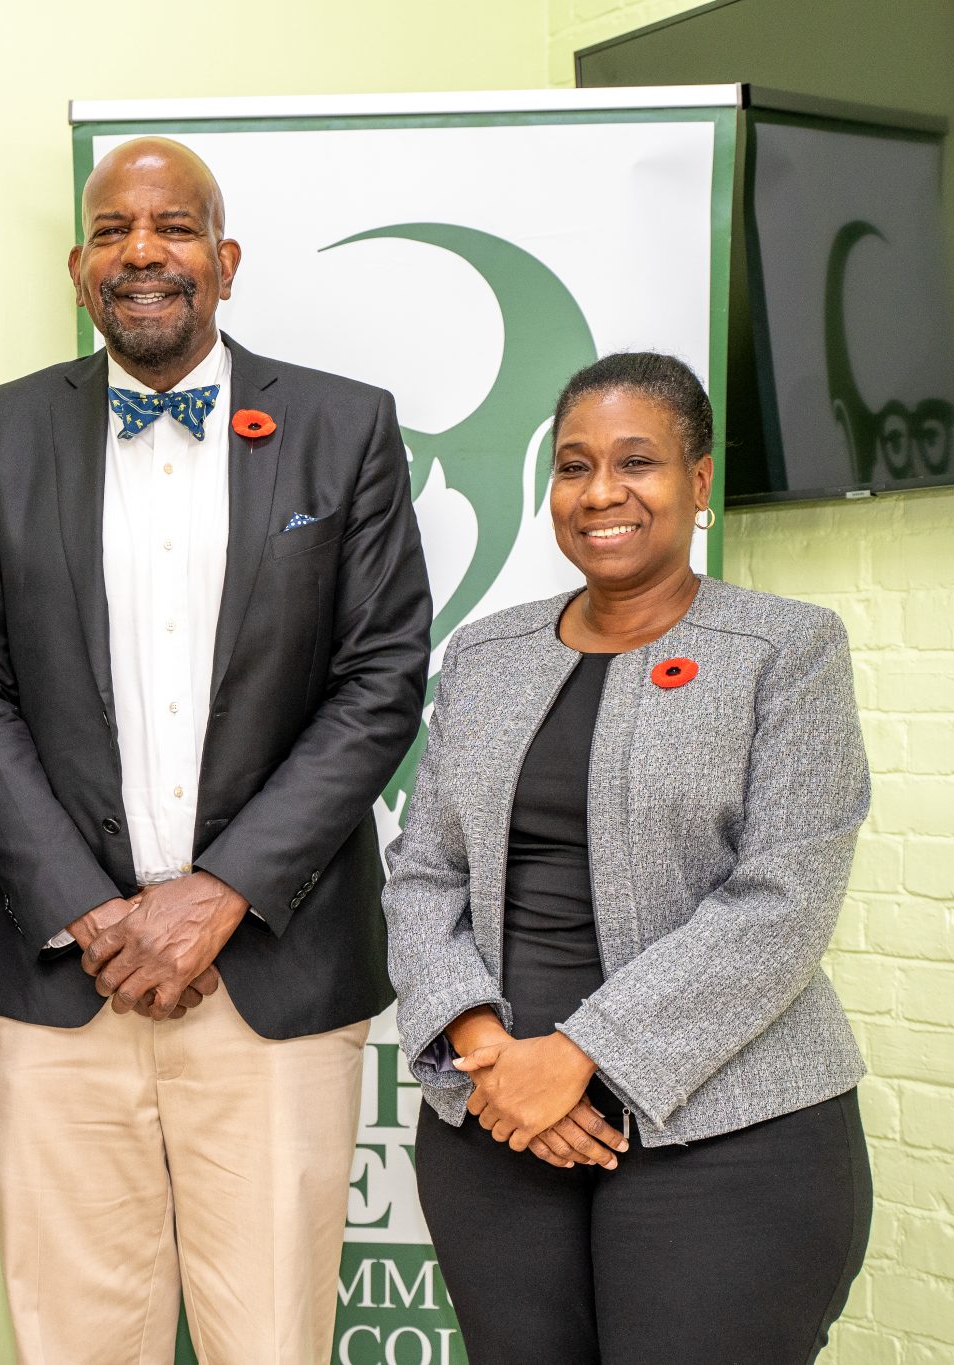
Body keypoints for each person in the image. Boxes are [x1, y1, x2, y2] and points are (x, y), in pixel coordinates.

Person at [0, 137, 430, 1365]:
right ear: (77, 266)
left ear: (226, 258)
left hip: (270, 978)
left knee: (271, 1339)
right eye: (112, 229)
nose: (142, 251)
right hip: (58, 985)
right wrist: (90, 911)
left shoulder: (340, 428)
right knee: (78, 1341)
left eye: (175, 226)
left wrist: (219, 896)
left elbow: (379, 679)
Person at [383, 351, 874, 1364]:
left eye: (635, 462)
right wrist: (487, 1056)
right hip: (497, 1128)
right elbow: (424, 869)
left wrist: (577, 1060)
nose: (599, 492)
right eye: (572, 466)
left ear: (696, 484)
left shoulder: (784, 649)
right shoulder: (486, 653)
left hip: (728, 1140)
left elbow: (781, 900)